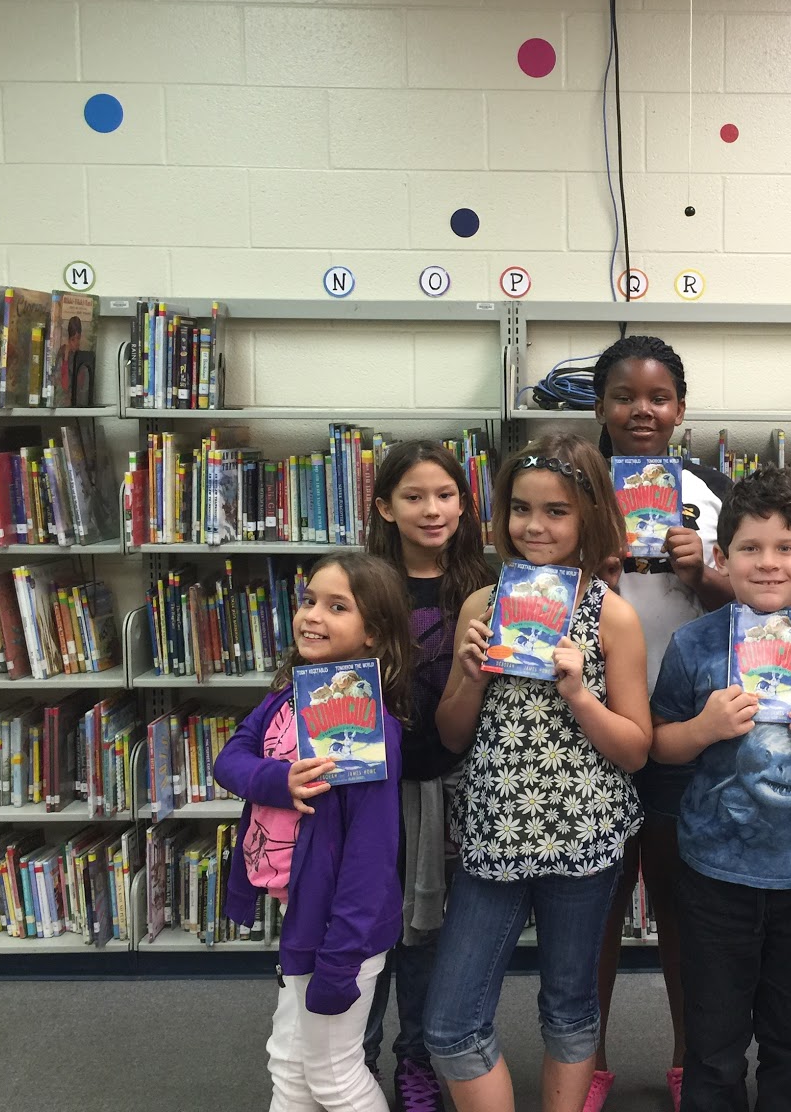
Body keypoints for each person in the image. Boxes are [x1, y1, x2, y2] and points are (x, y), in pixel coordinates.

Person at [425, 433, 652, 1112]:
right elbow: (451, 735)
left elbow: (637, 748)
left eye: (556, 510)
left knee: (570, 1004)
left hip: (581, 839)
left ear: (588, 516)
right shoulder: (481, 606)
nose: (534, 526)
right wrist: (468, 676)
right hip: (494, 836)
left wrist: (581, 693)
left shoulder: (612, 616)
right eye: (520, 508)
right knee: (451, 1024)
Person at [650, 466, 791, 1112]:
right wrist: (702, 728)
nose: (768, 563)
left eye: (785, 548)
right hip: (715, 872)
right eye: (749, 549)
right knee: (714, 1035)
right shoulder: (695, 643)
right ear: (721, 558)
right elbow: (660, 741)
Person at [215, 551, 418, 1112]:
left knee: (333, 1074)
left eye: (336, 606)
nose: (312, 615)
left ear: (373, 635)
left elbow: (371, 857)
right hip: (300, 912)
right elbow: (229, 758)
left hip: (340, 931)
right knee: (287, 1060)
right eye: (308, 600)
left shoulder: (371, 731)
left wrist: (340, 958)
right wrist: (278, 781)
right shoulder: (288, 696)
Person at [587, 334, 732, 1112]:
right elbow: (534, 596)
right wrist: (593, 573)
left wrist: (699, 572)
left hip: (685, 719)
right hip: (597, 719)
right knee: (597, 902)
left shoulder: (709, 491)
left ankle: (687, 1057)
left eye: (658, 397)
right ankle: (591, 1059)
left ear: (680, 406)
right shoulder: (573, 485)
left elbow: (749, 607)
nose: (641, 411)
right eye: (623, 396)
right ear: (600, 405)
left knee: (681, 901)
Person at [361, 442, 496, 1112]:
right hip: (367, 792)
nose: (432, 509)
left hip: (449, 784)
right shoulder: (357, 584)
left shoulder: (485, 585)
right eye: (413, 497)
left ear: (464, 502)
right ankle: (352, 1067)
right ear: (384, 506)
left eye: (445, 494)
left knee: (427, 935)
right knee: (363, 931)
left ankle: (416, 1062)